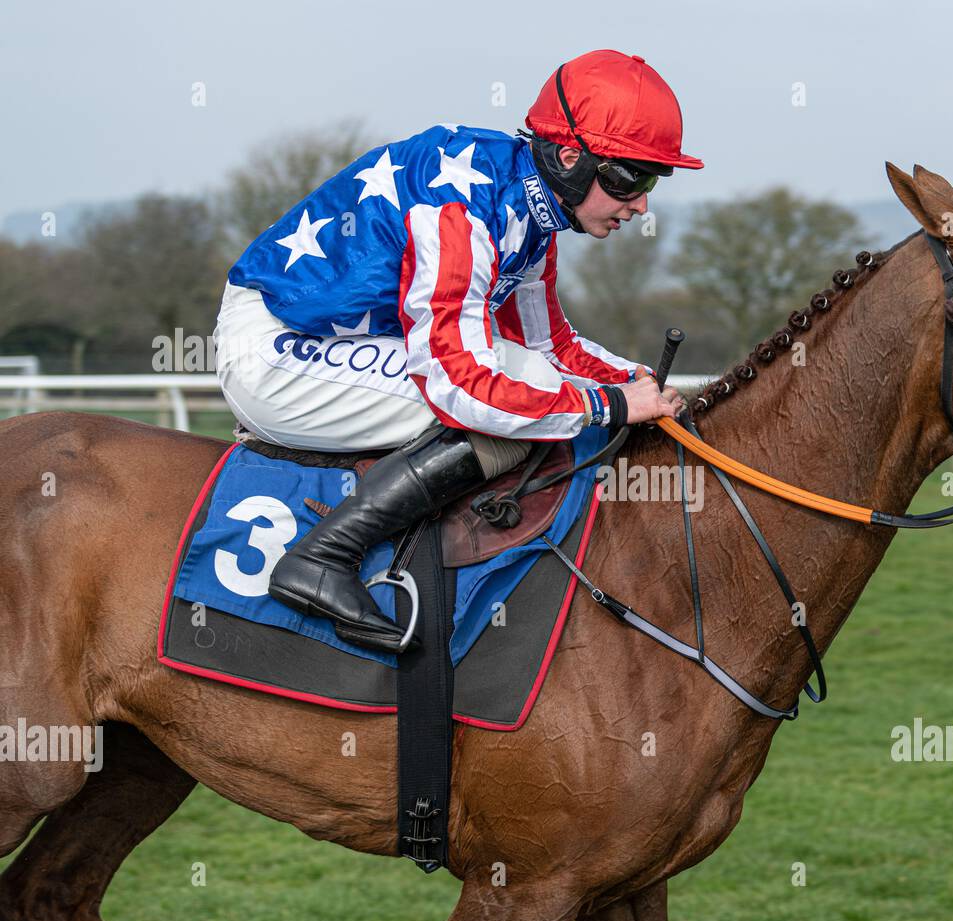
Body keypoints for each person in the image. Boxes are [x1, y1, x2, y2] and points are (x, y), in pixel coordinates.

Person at [212, 49, 702, 652]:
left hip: (341, 337)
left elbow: (548, 346)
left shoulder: (531, 208)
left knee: (532, 382)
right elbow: (460, 385)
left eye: (653, 180)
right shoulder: (461, 212)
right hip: (277, 350)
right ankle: (322, 556)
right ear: (571, 158)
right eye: (631, 178)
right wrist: (605, 406)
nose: (641, 204)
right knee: (507, 412)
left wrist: (641, 384)